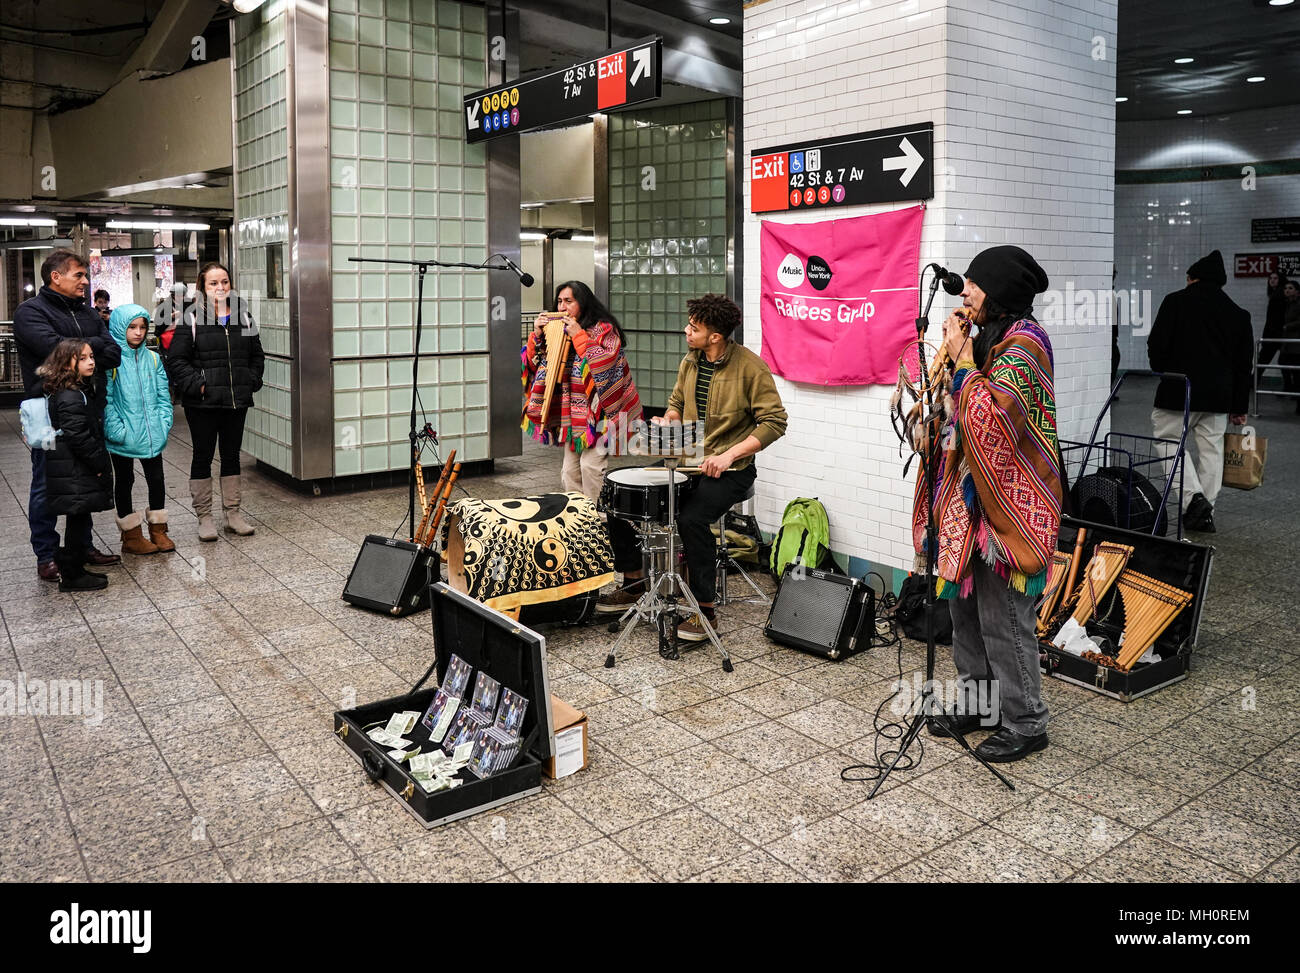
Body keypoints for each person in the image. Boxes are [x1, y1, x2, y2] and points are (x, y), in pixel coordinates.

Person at [916, 245, 1061, 763]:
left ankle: (1026, 721)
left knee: (1003, 616)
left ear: (997, 293)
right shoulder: (990, 338)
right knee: (964, 610)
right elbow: (958, 413)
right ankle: (980, 704)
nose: (965, 293)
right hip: (970, 498)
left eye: (974, 286)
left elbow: (993, 425)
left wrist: (961, 361)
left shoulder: (1026, 346)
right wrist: (944, 370)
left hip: (1011, 506)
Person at [597, 294, 788, 643]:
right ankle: (634, 582)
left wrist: (728, 456)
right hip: (686, 459)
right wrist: (667, 422)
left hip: (732, 469)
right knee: (617, 496)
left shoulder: (751, 368)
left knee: (691, 520)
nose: (686, 330)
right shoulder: (691, 360)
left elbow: (774, 422)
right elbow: (676, 404)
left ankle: (705, 610)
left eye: (694, 327)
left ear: (715, 336)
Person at [522, 281, 644, 587]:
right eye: (559, 301)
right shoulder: (556, 331)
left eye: (569, 302)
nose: (562, 308)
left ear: (583, 304)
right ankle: (579, 525)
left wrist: (577, 333)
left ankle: (600, 527)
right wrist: (537, 336)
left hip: (604, 413)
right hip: (574, 414)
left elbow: (604, 364)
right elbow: (536, 367)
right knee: (568, 473)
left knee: (593, 468)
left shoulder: (604, 329)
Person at [13, 248, 123, 581]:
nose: (86, 282)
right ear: (55, 276)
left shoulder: (88, 313)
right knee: (47, 483)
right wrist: (91, 346)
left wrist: (76, 347)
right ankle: (46, 555)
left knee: (87, 478)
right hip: (48, 415)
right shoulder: (30, 313)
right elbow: (52, 350)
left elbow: (114, 353)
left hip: (89, 409)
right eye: (79, 275)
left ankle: (81, 547)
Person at [1147, 250, 1253, 533]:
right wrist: (1239, 406)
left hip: (1177, 392)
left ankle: (1193, 500)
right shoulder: (1239, 315)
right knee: (1211, 452)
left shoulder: (1175, 302)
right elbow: (1245, 367)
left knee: (1169, 443)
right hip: (1219, 398)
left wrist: (1162, 371)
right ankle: (1204, 513)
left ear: (1192, 278)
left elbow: (1157, 347)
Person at [167, 262, 264, 540]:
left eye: (224, 282)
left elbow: (257, 354)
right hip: (204, 403)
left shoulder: (243, 316)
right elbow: (176, 360)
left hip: (236, 400)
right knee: (203, 456)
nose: (220, 287)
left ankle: (233, 514)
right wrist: (199, 386)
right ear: (202, 287)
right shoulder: (191, 318)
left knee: (232, 456)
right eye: (213, 283)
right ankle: (205, 517)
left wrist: (251, 380)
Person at [37, 339, 114, 592]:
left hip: (74, 465)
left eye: (91, 356)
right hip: (76, 466)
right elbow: (77, 435)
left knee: (79, 516)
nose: (91, 361)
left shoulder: (73, 389)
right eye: (82, 358)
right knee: (77, 517)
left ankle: (74, 565)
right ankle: (71, 574)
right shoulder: (71, 395)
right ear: (66, 362)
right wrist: (99, 463)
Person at [104, 304, 176, 555]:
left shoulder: (153, 358)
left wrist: (164, 422)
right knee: (125, 481)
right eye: (132, 327)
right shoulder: (111, 362)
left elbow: (163, 395)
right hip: (123, 435)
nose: (138, 333)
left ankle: (159, 530)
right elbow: (107, 400)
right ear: (120, 329)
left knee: (157, 479)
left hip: (152, 433)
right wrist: (117, 430)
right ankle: (131, 536)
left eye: (142, 327)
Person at [1256, 271, 1289, 384]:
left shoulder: (1277, 295)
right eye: (1270, 278)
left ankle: (1252, 381)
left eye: (1275, 278)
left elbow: (1273, 319)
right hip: (1280, 332)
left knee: (1263, 359)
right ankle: (1289, 385)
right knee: (1284, 361)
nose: (1272, 280)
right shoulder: (1280, 294)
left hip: (1275, 333)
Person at [1281, 279, 1300, 413]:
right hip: (1289, 342)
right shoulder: (1288, 304)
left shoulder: (1297, 304)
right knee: (1284, 364)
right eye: (1286, 288)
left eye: (1291, 288)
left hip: (1296, 343)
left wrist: (1288, 326)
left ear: (1297, 291)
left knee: (1297, 373)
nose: (1287, 290)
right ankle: (1291, 389)